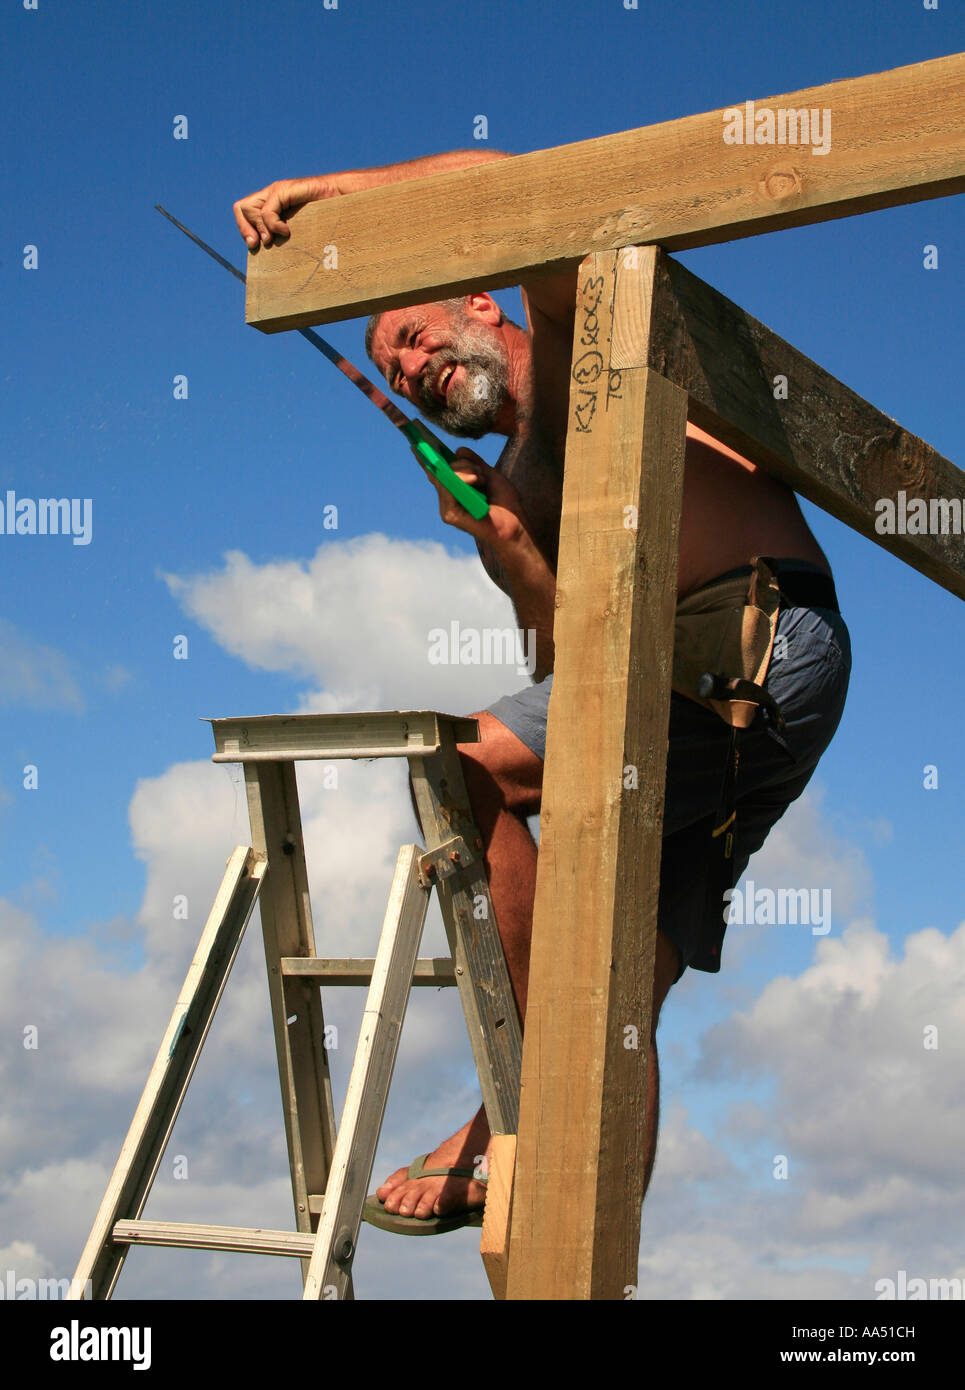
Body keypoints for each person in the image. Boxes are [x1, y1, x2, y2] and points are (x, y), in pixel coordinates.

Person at [234, 153, 851, 1234]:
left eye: (415, 336)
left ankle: (512, 1097)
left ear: (480, 300)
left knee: (453, 760)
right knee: (620, 1000)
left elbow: (527, 185)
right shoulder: (511, 482)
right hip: (657, 685)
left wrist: (336, 197)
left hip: (744, 638)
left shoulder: (583, 345)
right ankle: (588, 1236)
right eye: (393, 368)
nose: (411, 366)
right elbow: (567, 666)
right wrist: (509, 547)